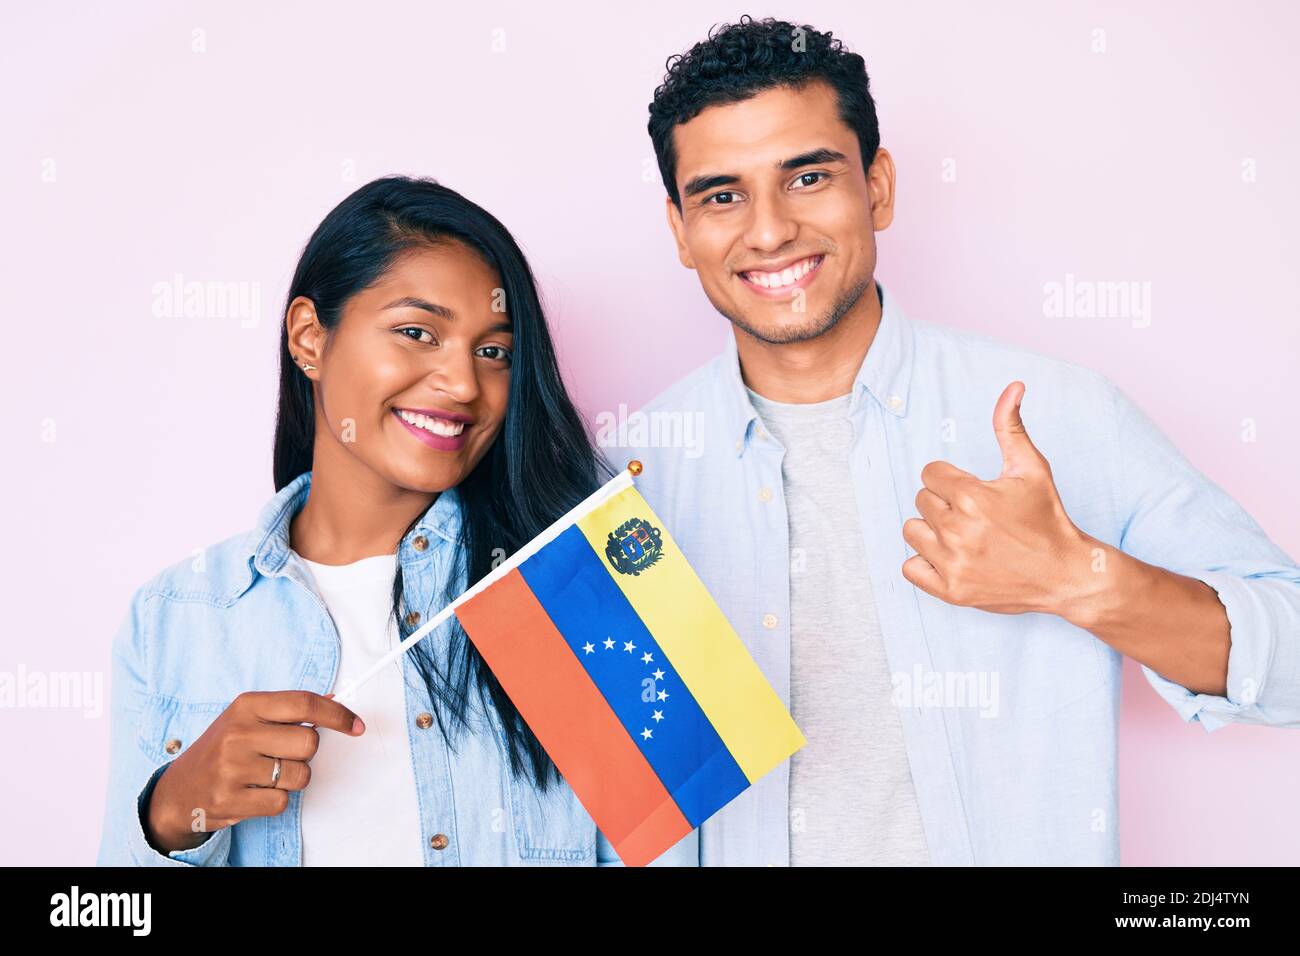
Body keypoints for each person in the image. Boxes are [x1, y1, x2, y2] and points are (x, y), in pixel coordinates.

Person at [607, 16, 1300, 866]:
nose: (769, 230)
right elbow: (620, 810)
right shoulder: (623, 485)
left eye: (808, 176)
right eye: (722, 195)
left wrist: (1078, 578)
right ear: (680, 230)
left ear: (879, 187)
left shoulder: (1055, 415)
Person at [96, 175, 616, 866]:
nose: (463, 383)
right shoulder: (175, 618)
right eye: (416, 332)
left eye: (493, 351)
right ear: (310, 338)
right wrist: (170, 813)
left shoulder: (574, 586)